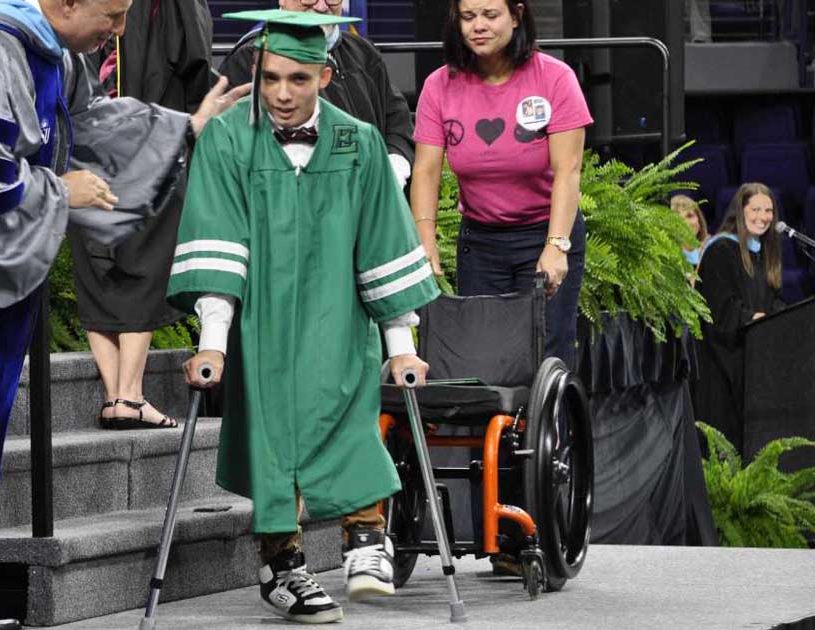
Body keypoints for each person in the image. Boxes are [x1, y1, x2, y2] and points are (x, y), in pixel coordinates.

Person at [0, 2, 247, 628]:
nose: (118, 31)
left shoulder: (47, 49)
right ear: (66, 2)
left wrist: (184, 129)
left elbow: (88, 125)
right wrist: (59, 189)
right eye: (111, 15)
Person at [170, 10, 440, 624]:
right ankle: (280, 562)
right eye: (269, 79)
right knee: (272, 435)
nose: (282, 94)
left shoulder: (359, 142)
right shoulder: (228, 138)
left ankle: (367, 536)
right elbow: (218, 240)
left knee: (347, 413)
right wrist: (213, 340)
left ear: (325, 74)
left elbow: (383, 244)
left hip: (337, 315)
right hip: (260, 322)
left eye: (297, 78)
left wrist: (401, 343)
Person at [410, 0, 592, 369]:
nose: (479, 25)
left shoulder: (555, 78)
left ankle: (550, 429)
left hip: (543, 231)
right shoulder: (439, 85)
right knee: (483, 356)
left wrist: (556, 246)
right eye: (468, 16)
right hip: (480, 242)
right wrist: (425, 243)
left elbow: (568, 170)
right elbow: (426, 170)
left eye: (490, 15)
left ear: (516, 15)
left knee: (547, 357)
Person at [77, 0, 216, 431]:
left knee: (94, 260)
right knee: (147, 258)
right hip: (151, 132)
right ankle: (131, 394)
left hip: (87, 134)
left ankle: (113, 395)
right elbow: (193, 57)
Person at [220, 0, 416, 190]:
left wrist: (393, 167)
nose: (321, 6)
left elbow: (396, 120)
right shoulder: (254, 59)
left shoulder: (362, 53)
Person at [693, 183, 786, 455]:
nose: (763, 216)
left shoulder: (765, 251)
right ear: (740, 211)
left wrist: (780, 318)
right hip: (721, 359)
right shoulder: (721, 250)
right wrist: (752, 317)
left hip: (753, 355)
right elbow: (720, 306)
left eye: (768, 210)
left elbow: (774, 300)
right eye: (755, 209)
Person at [672, 194, 709, 266]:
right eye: (679, 219)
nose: (686, 223)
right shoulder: (667, 256)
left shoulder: (711, 248)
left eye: (689, 216)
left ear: (699, 219)